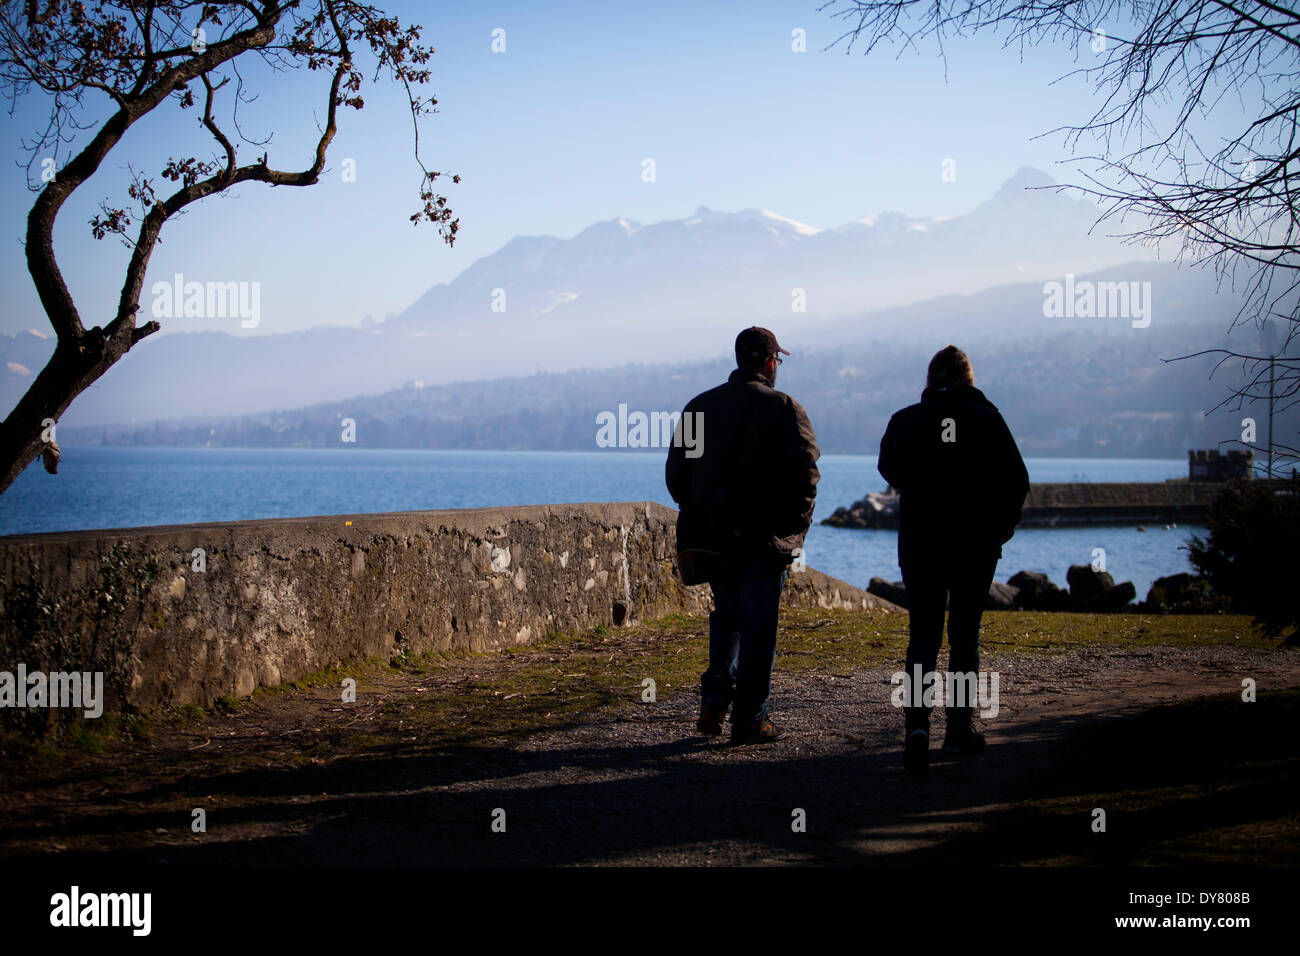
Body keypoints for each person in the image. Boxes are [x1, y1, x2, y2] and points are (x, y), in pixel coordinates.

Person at [878, 345, 1029, 774]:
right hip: (974, 545)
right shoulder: (988, 419)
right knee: (964, 636)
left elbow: (888, 469)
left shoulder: (904, 420)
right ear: (968, 378)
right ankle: (958, 730)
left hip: (920, 542)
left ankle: (916, 728)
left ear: (929, 379)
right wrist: (999, 532)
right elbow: (1017, 481)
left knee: (923, 635)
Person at [666, 327, 820, 743]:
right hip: (765, 539)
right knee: (759, 628)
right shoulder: (784, 408)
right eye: (777, 361)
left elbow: (677, 475)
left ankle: (715, 698)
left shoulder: (699, 407)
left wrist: (702, 509)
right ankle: (751, 717)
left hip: (714, 537)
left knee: (727, 617)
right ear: (770, 362)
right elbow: (807, 474)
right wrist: (795, 527)